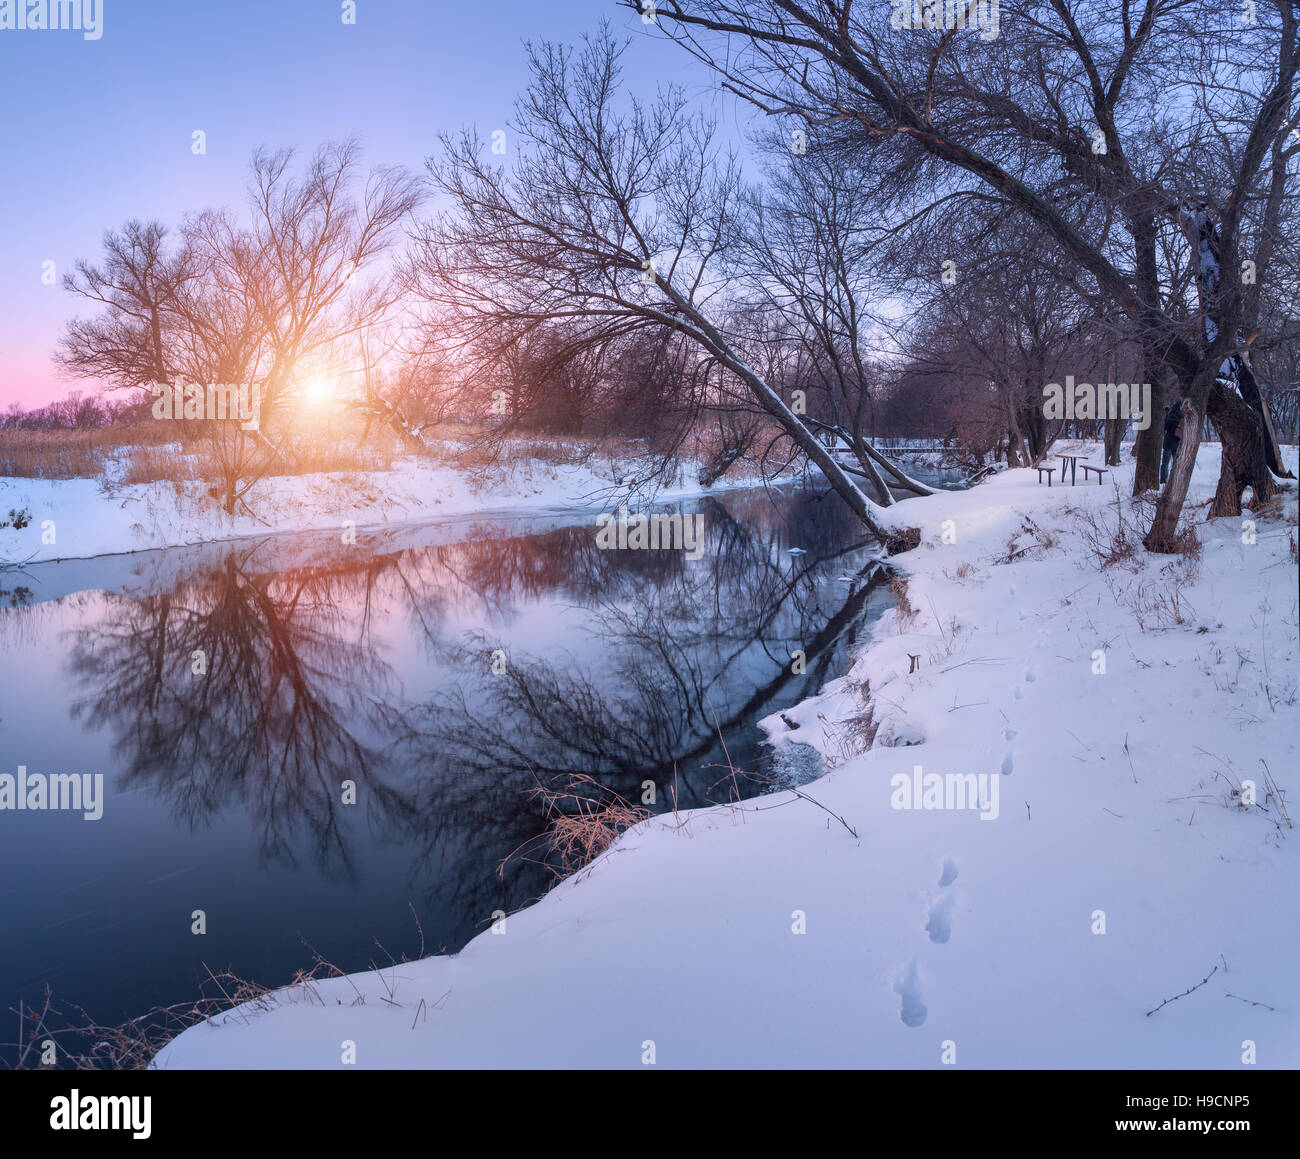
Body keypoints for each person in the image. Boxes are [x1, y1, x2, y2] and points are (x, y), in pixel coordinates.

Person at [1159, 400, 1182, 485]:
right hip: (1178, 441)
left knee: (1165, 463)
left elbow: (1165, 428)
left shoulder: (1170, 415)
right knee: (1177, 462)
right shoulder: (1182, 416)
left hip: (1168, 441)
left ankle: (1163, 480)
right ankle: (1175, 480)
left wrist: (1166, 416)